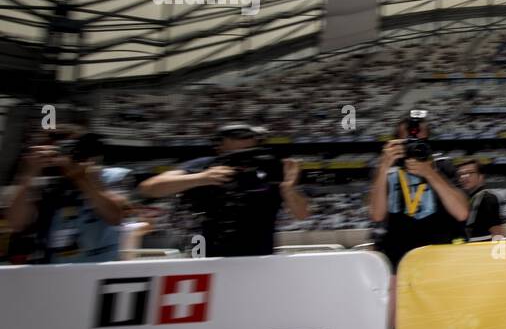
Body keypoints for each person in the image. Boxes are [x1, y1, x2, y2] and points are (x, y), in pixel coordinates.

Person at [138, 123, 310, 256]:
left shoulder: (270, 169)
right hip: (204, 255)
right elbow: (149, 188)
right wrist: (200, 178)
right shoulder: (204, 166)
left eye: (249, 152)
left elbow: (302, 214)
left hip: (259, 257)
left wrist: (288, 188)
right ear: (219, 148)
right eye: (236, 155)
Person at [370, 111, 470, 329]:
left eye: (421, 140)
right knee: (391, 328)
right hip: (398, 261)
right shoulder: (388, 170)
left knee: (438, 325)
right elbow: (376, 215)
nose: (415, 145)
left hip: (438, 260)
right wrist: (383, 166)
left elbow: (462, 212)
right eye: (409, 141)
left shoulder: (442, 166)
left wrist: (430, 174)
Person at [4, 127, 129, 264]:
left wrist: (81, 178)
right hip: (56, 270)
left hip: (98, 270)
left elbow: (115, 217)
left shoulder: (106, 176)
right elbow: (16, 223)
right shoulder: (43, 183)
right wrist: (29, 173)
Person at [456, 159, 504, 241]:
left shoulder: (487, 198)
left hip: (482, 250)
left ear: (481, 176)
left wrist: (499, 252)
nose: (464, 177)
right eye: (461, 174)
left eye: (470, 173)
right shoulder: (466, 198)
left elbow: (497, 232)